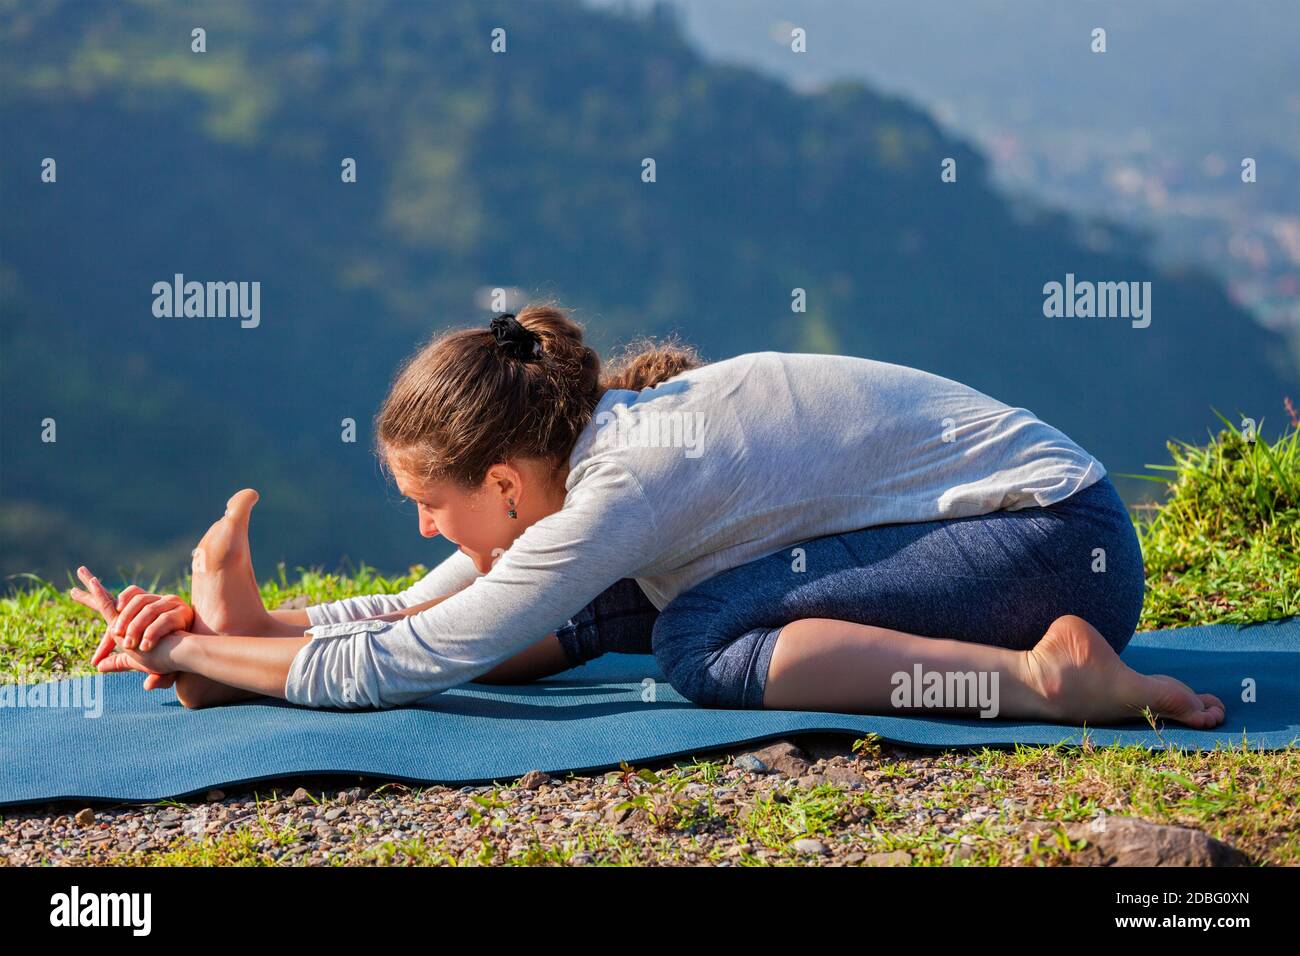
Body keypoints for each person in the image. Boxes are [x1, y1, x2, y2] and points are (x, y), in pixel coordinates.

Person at [73, 303, 1225, 728]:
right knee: (625, 601)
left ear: (509, 481)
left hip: (1050, 539)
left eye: (433, 503)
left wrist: (188, 644)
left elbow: (414, 662)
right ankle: (246, 658)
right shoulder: (593, 452)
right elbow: (434, 608)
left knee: (694, 640)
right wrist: (260, 632)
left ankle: (1042, 681)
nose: (425, 529)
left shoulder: (621, 485)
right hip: (1017, 526)